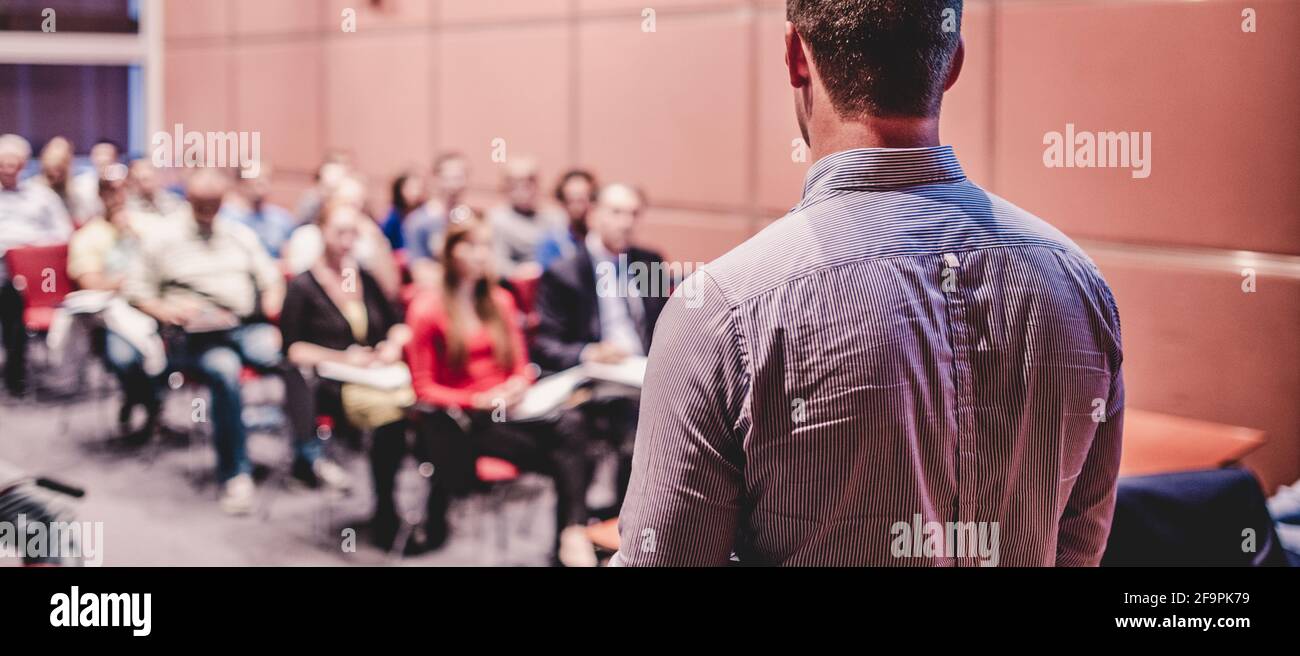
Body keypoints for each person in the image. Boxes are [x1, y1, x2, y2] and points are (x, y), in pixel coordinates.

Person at [614, 0, 1125, 567]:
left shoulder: (717, 313)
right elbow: (1079, 551)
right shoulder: (1078, 286)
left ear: (793, 55)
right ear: (953, 60)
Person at [404, 210, 595, 566]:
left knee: (576, 426)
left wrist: (516, 387)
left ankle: (570, 536)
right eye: (471, 246)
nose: (481, 254)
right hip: (467, 421)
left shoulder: (500, 302)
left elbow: (523, 366)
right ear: (450, 251)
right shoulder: (427, 308)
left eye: (486, 246)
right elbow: (423, 388)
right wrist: (478, 398)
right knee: (569, 453)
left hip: (513, 411)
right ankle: (572, 539)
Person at [122, 168, 286, 515]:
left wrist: (274, 308)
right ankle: (236, 473)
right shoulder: (162, 237)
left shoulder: (239, 234)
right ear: (188, 199)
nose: (209, 211)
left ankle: (306, 456)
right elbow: (137, 292)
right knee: (225, 370)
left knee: (292, 358)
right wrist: (166, 309)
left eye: (215, 204)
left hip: (242, 323)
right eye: (202, 204)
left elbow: (271, 279)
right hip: (192, 337)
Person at [532, 182, 669, 512]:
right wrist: (588, 351)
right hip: (594, 381)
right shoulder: (566, 273)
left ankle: (640, 525)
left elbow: (667, 323)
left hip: (643, 372)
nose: (626, 222)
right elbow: (544, 345)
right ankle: (604, 524)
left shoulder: (648, 262)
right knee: (633, 427)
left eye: (634, 214)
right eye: (617, 212)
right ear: (593, 215)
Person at [280, 202, 411, 501]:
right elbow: (293, 349)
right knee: (389, 416)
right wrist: (344, 359)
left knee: (421, 406)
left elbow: (399, 324)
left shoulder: (363, 277)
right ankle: (385, 509)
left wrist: (392, 345)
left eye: (353, 233)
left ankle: (428, 509)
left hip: (376, 372)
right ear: (321, 233)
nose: (347, 241)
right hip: (330, 382)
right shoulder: (303, 285)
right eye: (340, 232)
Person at [67, 167, 167, 438]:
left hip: (157, 307)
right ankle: (146, 400)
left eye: (123, 188)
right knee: (123, 357)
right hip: (115, 315)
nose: (117, 196)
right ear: (100, 194)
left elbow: (169, 265)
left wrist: (136, 238)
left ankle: (149, 400)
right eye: (110, 189)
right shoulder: (88, 235)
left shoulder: (148, 226)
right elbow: (90, 281)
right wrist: (128, 281)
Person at [0, 134, 74, 397]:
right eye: (3, 162)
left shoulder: (42, 196)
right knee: (7, 290)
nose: (8, 168)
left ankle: (16, 374)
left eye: (14, 162)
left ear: (23, 164)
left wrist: (31, 252)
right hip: (1, 269)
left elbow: (64, 234)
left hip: (38, 275)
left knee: (14, 295)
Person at [487, 157, 565, 280]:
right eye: (515, 185)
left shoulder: (555, 218)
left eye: (528, 184)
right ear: (506, 188)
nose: (522, 190)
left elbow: (565, 254)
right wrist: (519, 272)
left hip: (551, 280)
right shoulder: (497, 219)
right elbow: (496, 262)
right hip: (514, 283)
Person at [402, 152, 469, 288]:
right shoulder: (418, 221)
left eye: (460, 177)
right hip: (436, 291)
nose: (456, 185)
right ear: (436, 179)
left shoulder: (471, 219)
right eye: (450, 178)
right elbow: (419, 271)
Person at [218, 163, 296, 258]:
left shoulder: (281, 219)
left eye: (267, 177)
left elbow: (288, 259)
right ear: (240, 182)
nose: (262, 181)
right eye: (255, 177)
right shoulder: (223, 219)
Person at [535, 169, 597, 271]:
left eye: (583, 199)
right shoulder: (552, 242)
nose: (579, 207)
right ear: (562, 202)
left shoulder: (604, 241)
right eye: (572, 200)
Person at [380, 170, 428, 252]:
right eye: (410, 188)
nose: (415, 193)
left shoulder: (426, 214)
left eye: (418, 188)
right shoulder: (393, 218)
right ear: (399, 190)